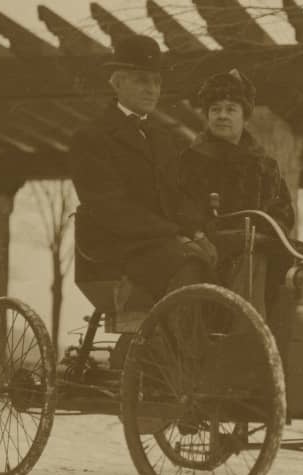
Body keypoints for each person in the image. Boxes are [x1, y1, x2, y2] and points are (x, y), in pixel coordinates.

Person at [70, 34, 217, 302]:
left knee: (228, 255)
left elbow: (178, 194)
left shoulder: (163, 137)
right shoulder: (92, 137)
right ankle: (175, 329)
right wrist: (176, 235)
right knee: (189, 264)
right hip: (118, 245)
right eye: (141, 81)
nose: (151, 89)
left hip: (161, 241)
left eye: (156, 82)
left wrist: (196, 232)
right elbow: (109, 207)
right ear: (117, 83)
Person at [176, 69, 299, 315]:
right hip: (210, 247)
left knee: (300, 258)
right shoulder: (190, 161)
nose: (222, 115)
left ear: (244, 117)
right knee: (251, 253)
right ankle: (248, 327)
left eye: (231, 109)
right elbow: (182, 209)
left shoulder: (265, 165)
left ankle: (289, 328)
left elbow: (283, 212)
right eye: (215, 109)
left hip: (257, 241)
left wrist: (266, 230)